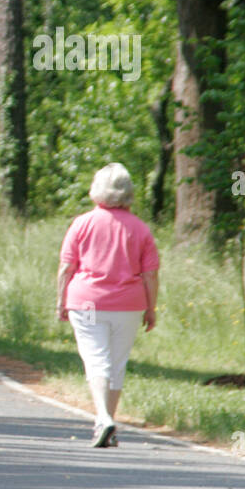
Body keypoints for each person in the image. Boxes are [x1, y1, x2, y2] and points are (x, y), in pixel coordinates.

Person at [57, 163, 160, 448]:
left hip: (88, 303)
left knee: (96, 359)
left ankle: (103, 418)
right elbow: (150, 274)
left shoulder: (82, 223)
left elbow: (66, 268)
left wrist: (60, 301)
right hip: (128, 305)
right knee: (116, 363)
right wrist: (151, 308)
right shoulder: (140, 229)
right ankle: (107, 426)